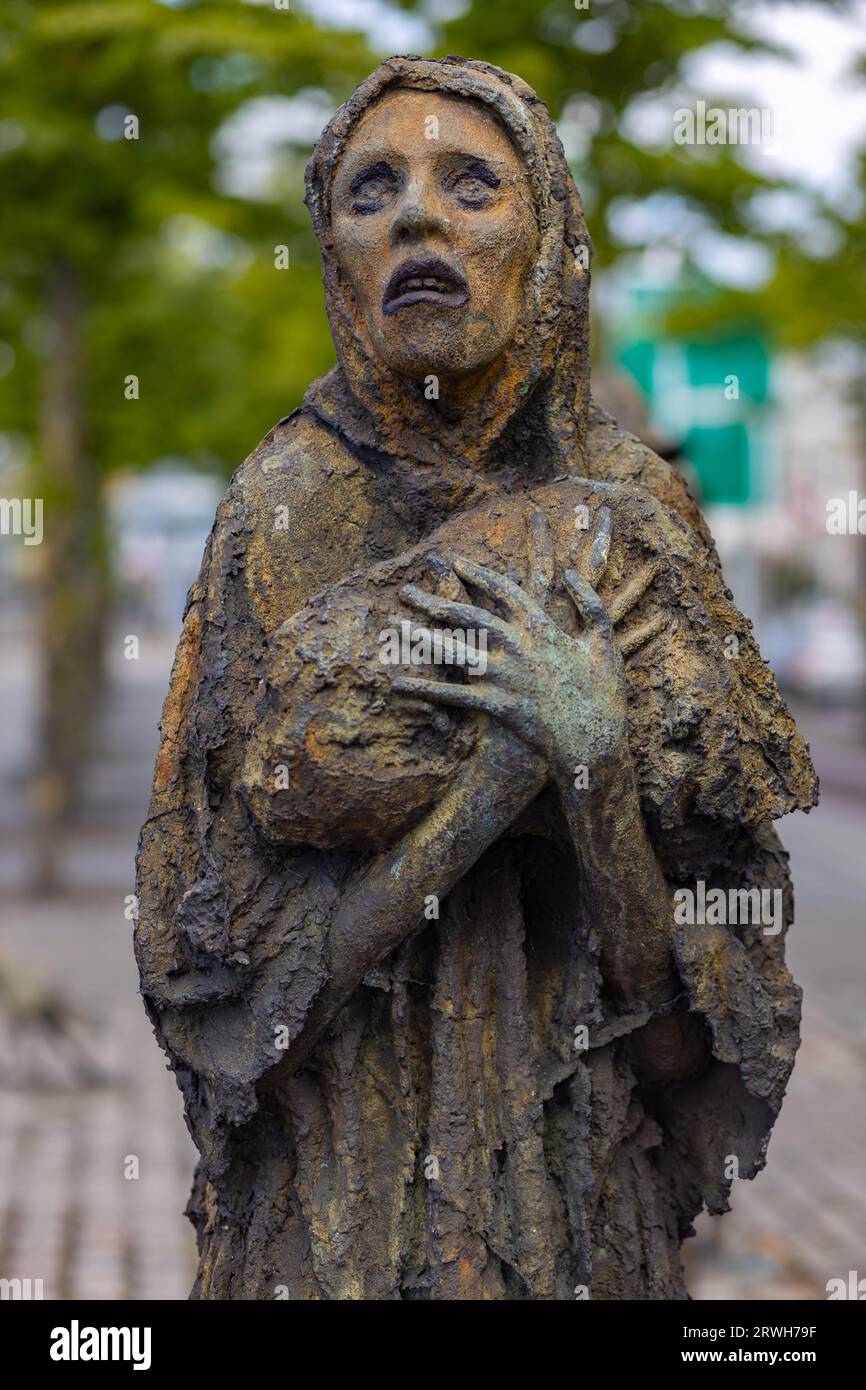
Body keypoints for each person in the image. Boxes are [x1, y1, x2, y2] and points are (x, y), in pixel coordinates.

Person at [135, 56, 817, 1300]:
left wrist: (595, 765)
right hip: (336, 1208)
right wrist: (498, 778)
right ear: (334, 258)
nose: (416, 219)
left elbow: (673, 1035)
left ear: (547, 238)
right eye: (371, 189)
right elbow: (249, 1018)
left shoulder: (636, 517)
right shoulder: (282, 512)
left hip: (577, 1205)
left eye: (473, 184)